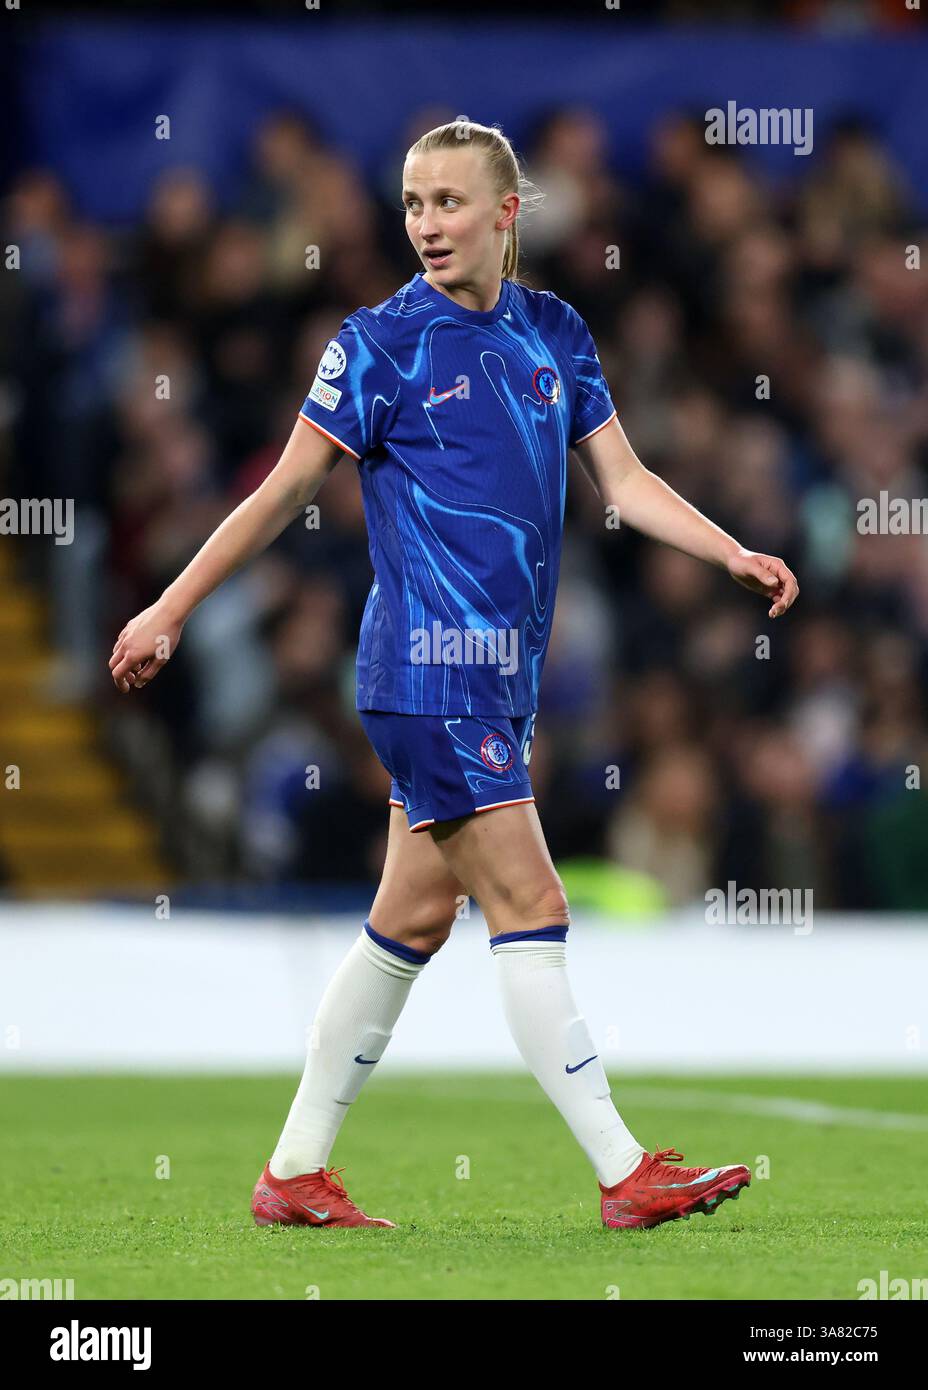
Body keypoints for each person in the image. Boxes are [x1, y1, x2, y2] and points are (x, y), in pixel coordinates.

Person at [110, 120, 799, 1231]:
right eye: (413, 204)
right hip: (426, 670)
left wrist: (728, 549)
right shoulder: (379, 344)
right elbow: (283, 491)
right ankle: (625, 1171)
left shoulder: (555, 334)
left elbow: (623, 483)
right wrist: (170, 606)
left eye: (447, 202)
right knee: (531, 900)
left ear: (506, 212)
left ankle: (292, 1173)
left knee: (412, 919)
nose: (426, 223)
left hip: (497, 681)